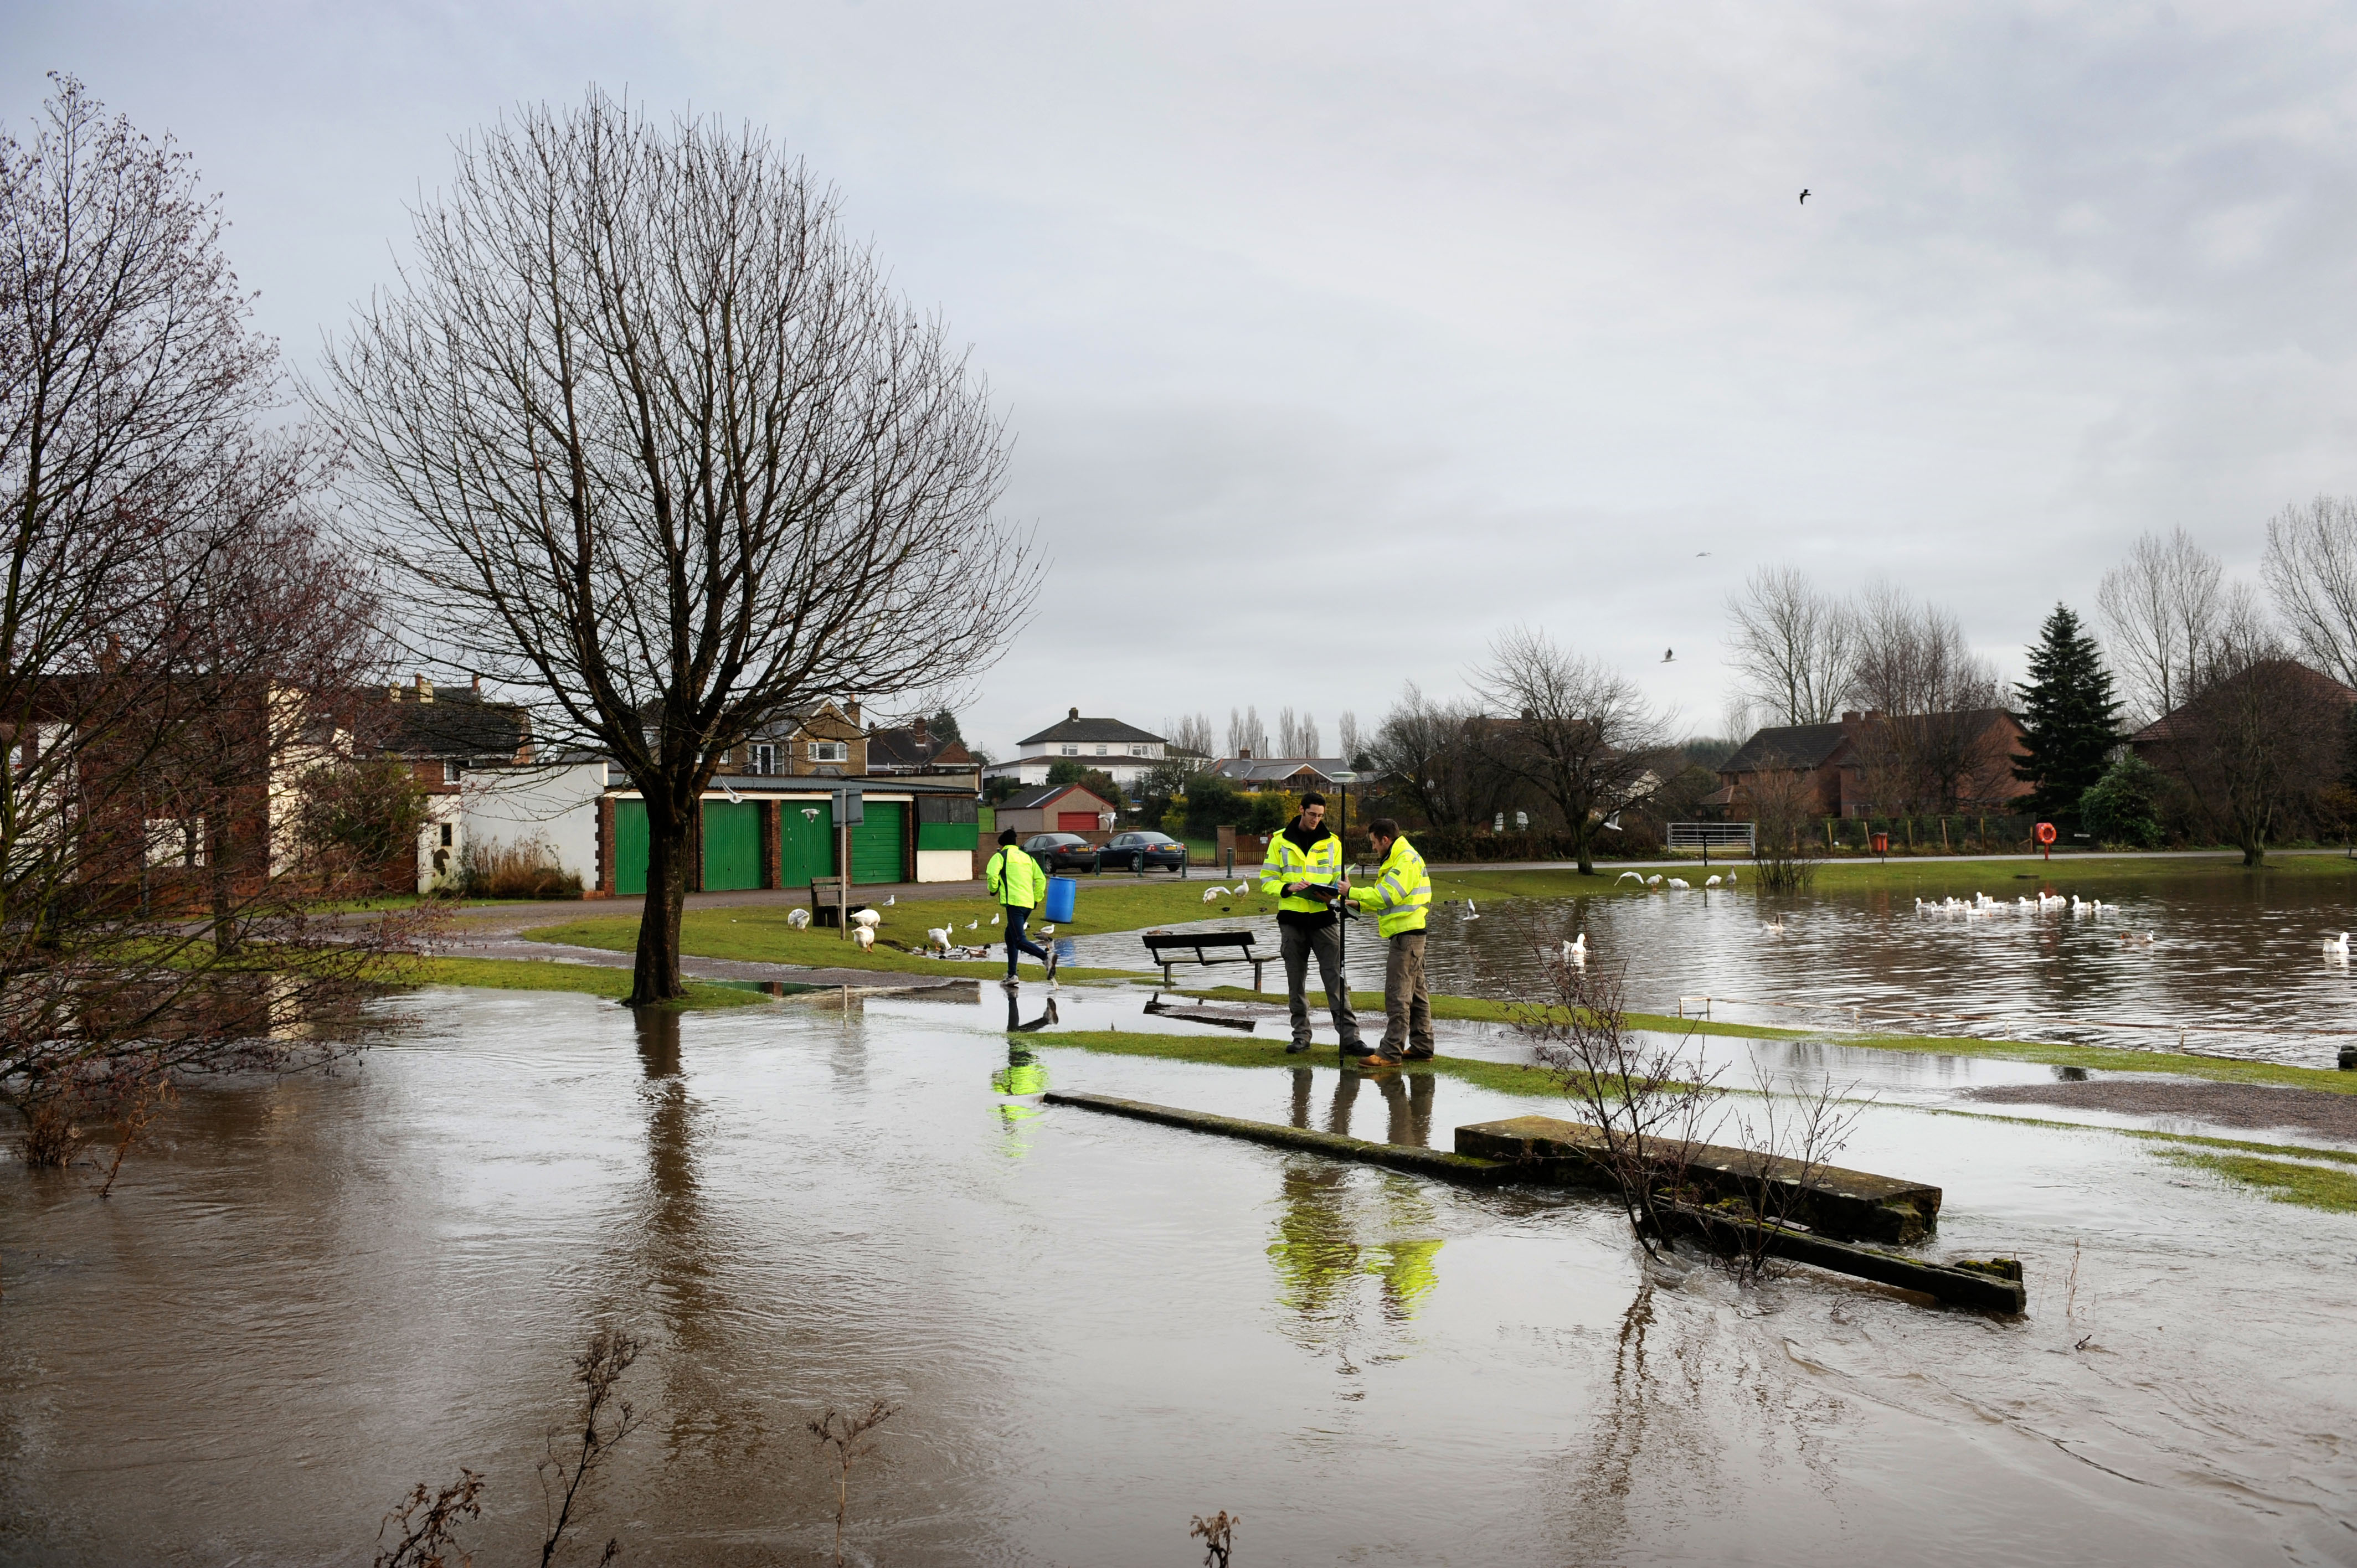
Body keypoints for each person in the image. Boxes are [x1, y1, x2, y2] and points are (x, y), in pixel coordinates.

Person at [1259, 791, 1366, 1055]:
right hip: (1292, 920)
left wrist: (1335, 892)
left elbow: (1339, 881)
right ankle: (1301, 1036)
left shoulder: (1334, 843)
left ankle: (1350, 1040)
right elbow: (1266, 880)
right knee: (1296, 982)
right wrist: (1289, 887)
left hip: (1324, 917)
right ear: (1301, 810)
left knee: (1336, 979)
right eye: (1312, 815)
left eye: (1320, 816)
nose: (1317, 820)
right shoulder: (1279, 841)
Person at [1347, 817, 1433, 1065]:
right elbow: (1393, 900)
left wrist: (1351, 892)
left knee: (1398, 996)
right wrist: (1360, 903)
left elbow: (1388, 895)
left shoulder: (1404, 860)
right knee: (1417, 996)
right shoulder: (1401, 856)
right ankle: (1423, 1046)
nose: (1373, 847)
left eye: (1374, 842)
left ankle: (1390, 1052)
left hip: (1406, 939)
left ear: (1385, 840)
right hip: (1411, 935)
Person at [985, 828, 1056, 989]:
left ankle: (1046, 957)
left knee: (1018, 940)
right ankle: (1012, 975)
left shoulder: (1001, 856)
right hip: (1028, 903)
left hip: (1014, 903)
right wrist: (1037, 898)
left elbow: (992, 874)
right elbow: (1041, 878)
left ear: (1002, 844)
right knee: (1009, 936)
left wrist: (993, 888)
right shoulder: (1028, 858)